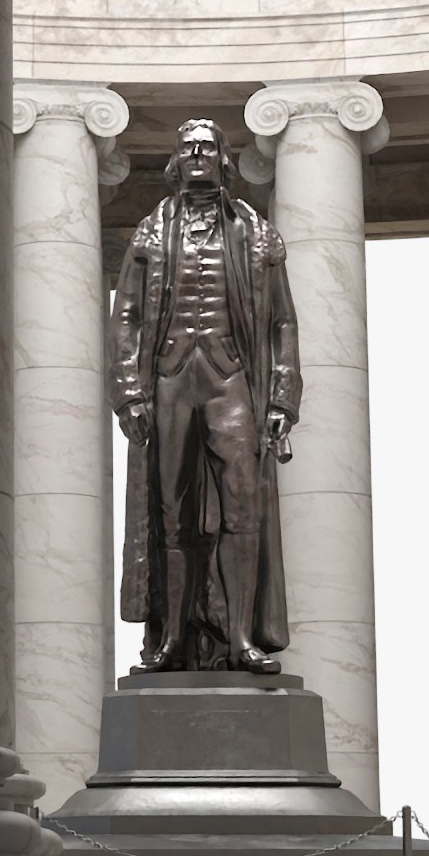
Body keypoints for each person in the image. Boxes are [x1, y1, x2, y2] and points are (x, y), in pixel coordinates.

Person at [110, 118, 301, 675]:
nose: (197, 157)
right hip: (170, 382)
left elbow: (283, 323)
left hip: (231, 381)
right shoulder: (150, 233)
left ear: (223, 159)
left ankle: (241, 637)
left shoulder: (256, 233)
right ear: (176, 161)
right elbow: (126, 317)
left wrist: (281, 399)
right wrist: (128, 393)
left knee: (242, 508)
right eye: (188, 148)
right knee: (173, 518)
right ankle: (170, 640)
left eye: (207, 148)